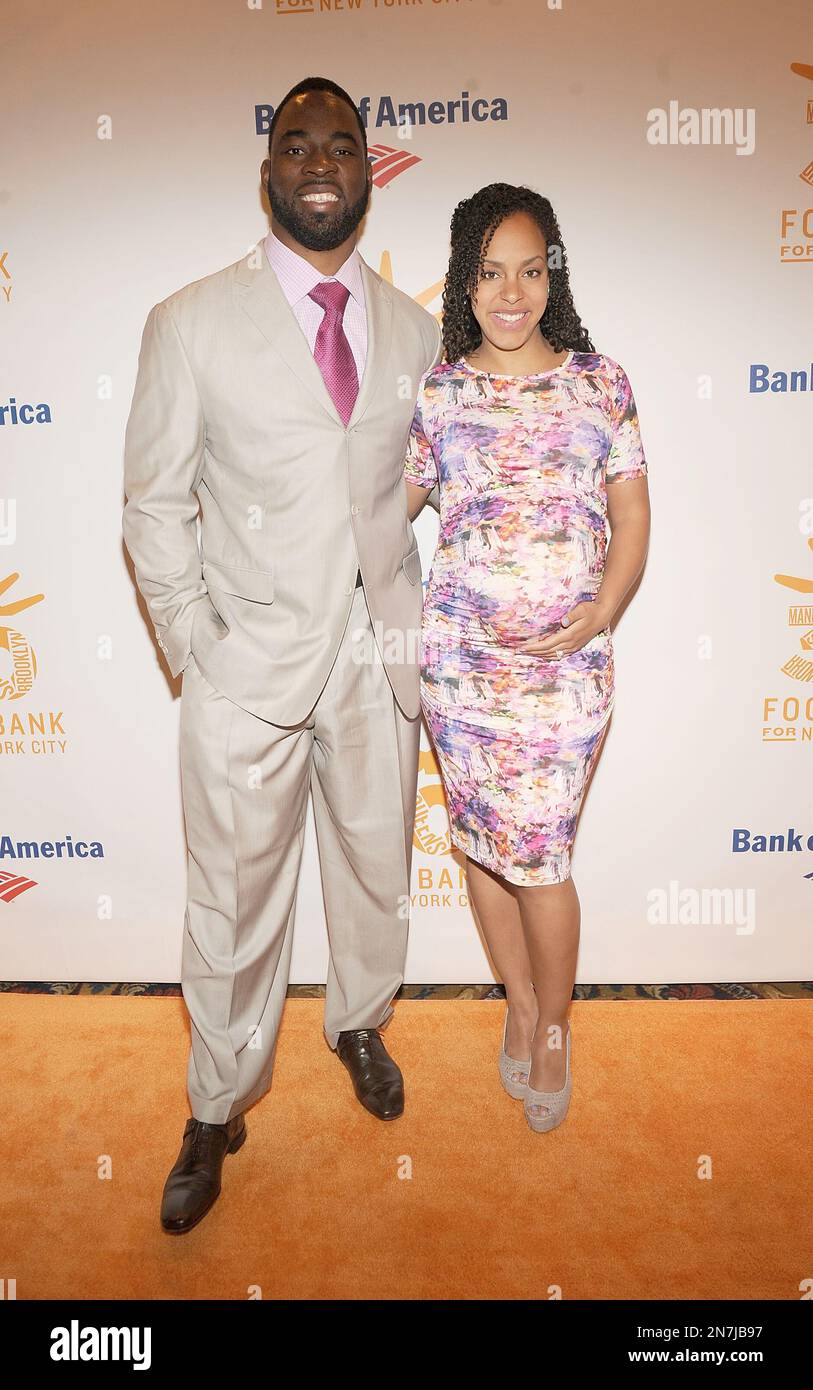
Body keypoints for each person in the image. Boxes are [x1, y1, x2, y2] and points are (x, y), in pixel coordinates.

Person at [123, 76, 442, 1233]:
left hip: (375, 658)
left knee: (372, 873)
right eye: (296, 144)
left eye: (342, 145)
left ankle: (359, 1020)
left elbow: (414, 488)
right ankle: (217, 1105)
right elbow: (153, 504)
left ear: (368, 171)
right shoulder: (189, 321)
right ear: (267, 175)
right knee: (233, 905)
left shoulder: (415, 332)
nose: (320, 161)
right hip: (245, 669)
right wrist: (194, 643)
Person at [404, 184, 650, 1133]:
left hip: (562, 682)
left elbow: (630, 519)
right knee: (480, 848)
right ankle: (516, 998)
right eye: (491, 272)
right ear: (465, 282)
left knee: (539, 861)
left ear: (553, 274)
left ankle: (554, 1026)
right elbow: (396, 512)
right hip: (461, 676)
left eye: (530, 270)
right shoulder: (440, 393)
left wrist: (600, 611)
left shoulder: (602, 384)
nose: (512, 292)